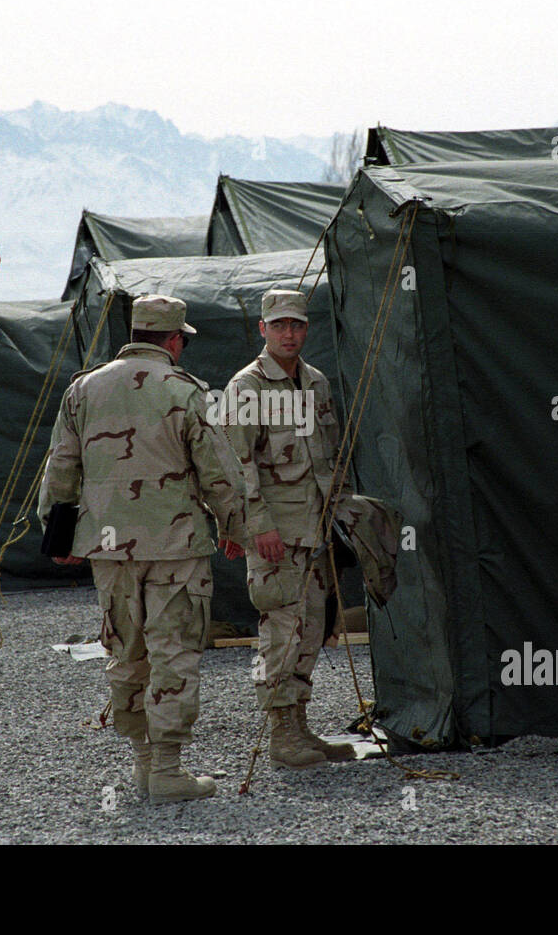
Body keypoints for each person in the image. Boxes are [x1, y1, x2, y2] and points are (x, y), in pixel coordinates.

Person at [40, 294, 250, 803]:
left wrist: (58, 535)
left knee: (126, 650)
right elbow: (219, 471)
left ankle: (142, 763)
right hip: (173, 545)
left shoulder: (84, 388)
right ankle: (169, 770)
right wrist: (234, 526)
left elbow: (61, 467)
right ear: (174, 340)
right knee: (172, 651)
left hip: (109, 548)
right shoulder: (185, 390)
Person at [222, 288, 357, 768]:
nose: (288, 333)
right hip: (275, 532)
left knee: (311, 629)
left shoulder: (315, 383)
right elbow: (237, 465)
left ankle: (300, 724)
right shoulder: (248, 387)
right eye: (278, 325)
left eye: (296, 325)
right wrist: (255, 527)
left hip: (316, 530)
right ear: (262, 329)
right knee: (280, 627)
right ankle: (281, 735)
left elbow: (332, 454)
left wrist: (340, 515)